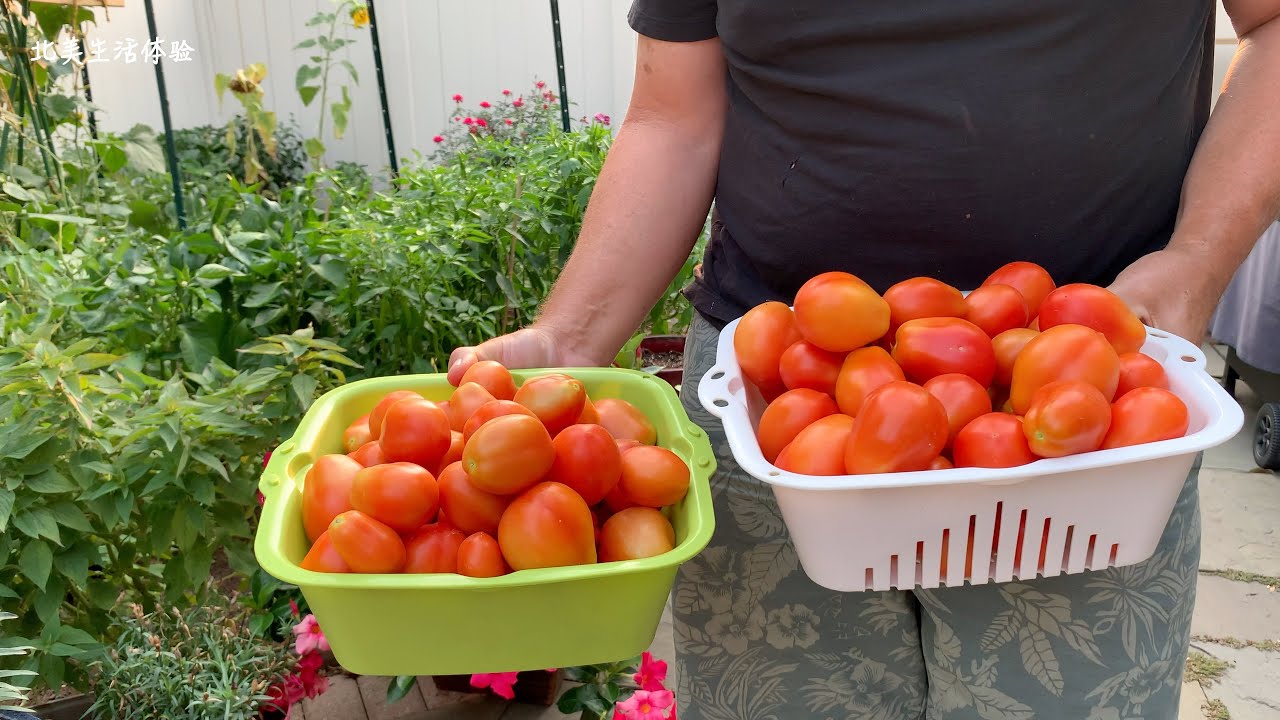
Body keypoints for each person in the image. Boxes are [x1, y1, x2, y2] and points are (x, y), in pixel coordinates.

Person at [449, 0, 1280, 716]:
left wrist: (1195, 261)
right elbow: (675, 117)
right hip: (771, 406)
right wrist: (567, 343)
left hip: (1097, 433)